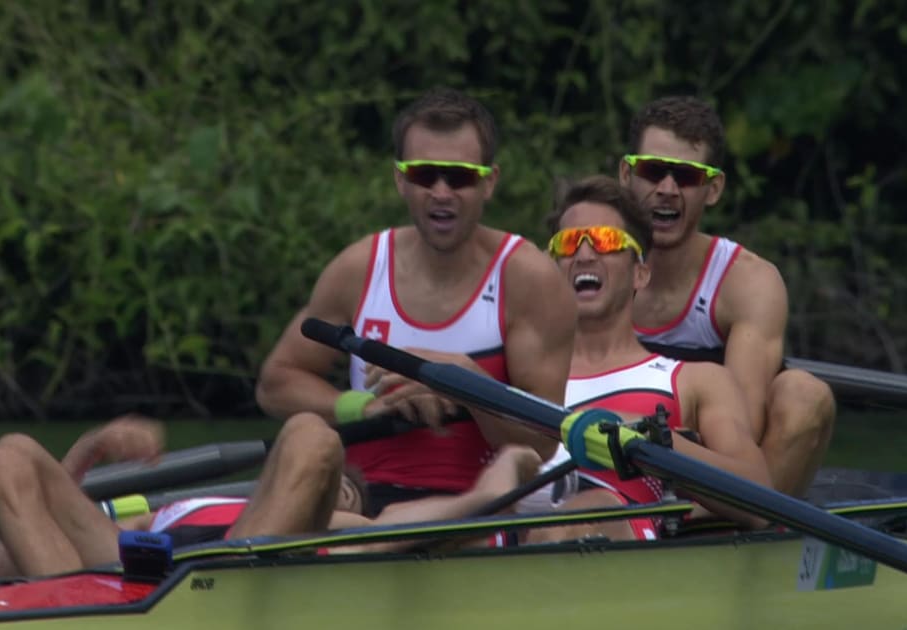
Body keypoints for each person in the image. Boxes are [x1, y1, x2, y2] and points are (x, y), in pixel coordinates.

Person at [255, 87, 577, 516]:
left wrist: (467, 386)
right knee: (304, 435)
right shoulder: (358, 268)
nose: (441, 192)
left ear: (489, 182)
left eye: (459, 177)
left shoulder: (529, 279)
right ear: (400, 181)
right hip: (361, 500)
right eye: (425, 175)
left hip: (476, 507)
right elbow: (276, 382)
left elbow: (542, 440)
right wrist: (359, 406)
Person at [0, 413, 542, 578]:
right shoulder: (168, 512)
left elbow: (474, 507)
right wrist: (90, 448)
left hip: (236, 581)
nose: (332, 489)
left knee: (312, 434)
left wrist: (515, 460)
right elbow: (4, 562)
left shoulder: (363, 527)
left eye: (341, 489)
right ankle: (66, 614)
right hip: (119, 575)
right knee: (8, 454)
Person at [525, 176, 772, 544]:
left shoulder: (695, 381)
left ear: (640, 273)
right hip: (513, 529)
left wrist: (650, 439)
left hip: (615, 534)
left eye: (606, 241)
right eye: (569, 243)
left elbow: (760, 501)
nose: (585, 255)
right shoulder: (515, 374)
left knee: (581, 516)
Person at [618, 96, 835, 497]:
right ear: (626, 175)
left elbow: (741, 430)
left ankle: (740, 525)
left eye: (686, 177)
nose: (667, 190)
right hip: (614, 455)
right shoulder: (585, 260)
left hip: (711, 479)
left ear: (713, 189)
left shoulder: (748, 282)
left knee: (805, 394)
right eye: (653, 171)